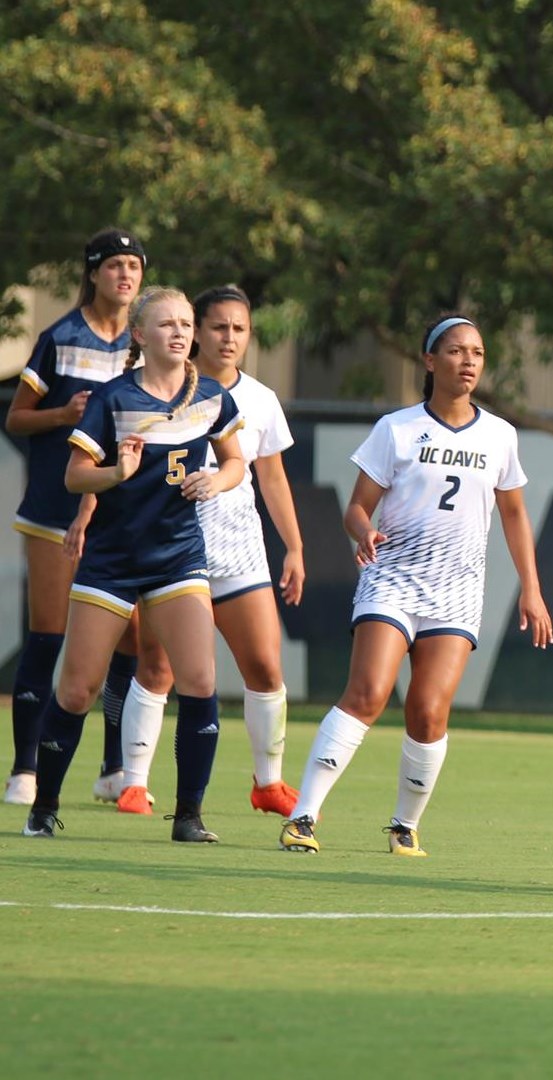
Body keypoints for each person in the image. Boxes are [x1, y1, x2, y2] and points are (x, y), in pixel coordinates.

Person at [279, 312, 552, 857]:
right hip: (394, 578)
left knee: (428, 711)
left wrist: (532, 587)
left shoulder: (500, 435)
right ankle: (302, 816)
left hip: (457, 588)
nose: (468, 361)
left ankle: (404, 826)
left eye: (476, 351)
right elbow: (357, 507)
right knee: (368, 693)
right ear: (429, 361)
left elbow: (515, 514)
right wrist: (363, 532)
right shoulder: (398, 428)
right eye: (455, 351)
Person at [21, 285, 246, 842]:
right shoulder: (114, 399)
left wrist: (216, 479)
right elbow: (75, 476)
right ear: (139, 336)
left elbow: (238, 462)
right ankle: (43, 805)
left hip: (177, 559)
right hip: (112, 560)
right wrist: (116, 474)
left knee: (199, 679)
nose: (180, 332)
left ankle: (188, 817)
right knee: (76, 691)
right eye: (166, 324)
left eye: (187, 324)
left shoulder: (212, 395)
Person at [110, 285, 308, 818]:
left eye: (239, 329)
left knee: (266, 668)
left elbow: (271, 477)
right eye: (218, 326)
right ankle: (133, 783)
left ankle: (268, 783)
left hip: (240, 554)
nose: (228, 338)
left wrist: (293, 547)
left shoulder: (261, 400)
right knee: (157, 668)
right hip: (173, 551)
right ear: (197, 330)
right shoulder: (161, 390)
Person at [5, 230, 171, 809]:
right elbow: (17, 419)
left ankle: (112, 765)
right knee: (49, 634)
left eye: (134, 266)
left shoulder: (145, 340)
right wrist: (62, 413)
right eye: (115, 265)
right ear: (94, 272)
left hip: (120, 516)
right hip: (56, 509)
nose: (126, 275)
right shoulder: (62, 337)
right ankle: (24, 769)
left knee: (129, 640)